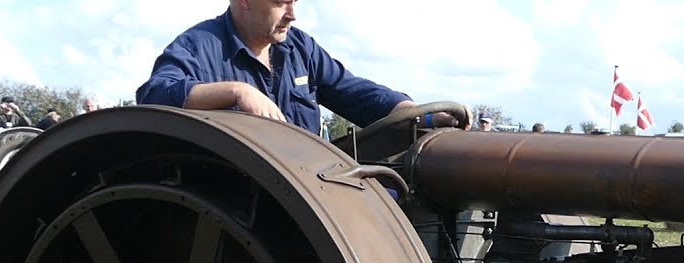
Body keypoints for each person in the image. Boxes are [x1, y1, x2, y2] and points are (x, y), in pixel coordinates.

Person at [136, 0, 461, 133]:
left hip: (306, 193)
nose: (293, 14)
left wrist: (421, 115)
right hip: (238, 209)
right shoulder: (200, 45)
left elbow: (353, 93)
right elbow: (154, 95)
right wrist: (236, 92)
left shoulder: (299, 48)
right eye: (281, 2)